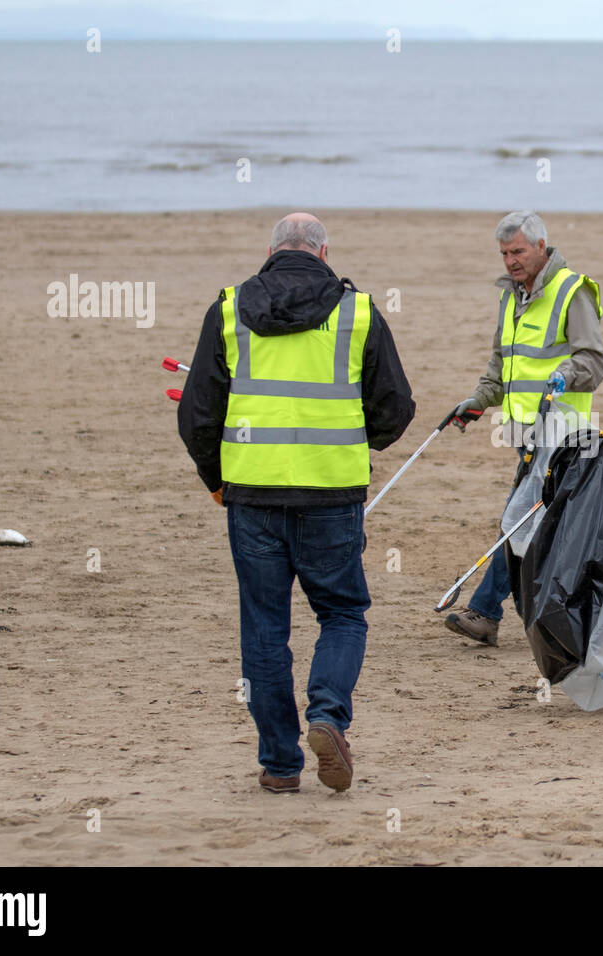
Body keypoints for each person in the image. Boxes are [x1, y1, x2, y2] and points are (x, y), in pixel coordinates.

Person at [178, 213, 415, 794]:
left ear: (270, 251)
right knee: (341, 614)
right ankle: (328, 715)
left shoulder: (229, 309)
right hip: (330, 492)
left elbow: (197, 416)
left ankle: (280, 765)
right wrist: (358, 437)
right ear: (324, 253)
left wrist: (217, 478)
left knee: (264, 630)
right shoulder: (358, 312)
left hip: (252, 495)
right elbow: (396, 408)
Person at [441, 210, 603, 646]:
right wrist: (478, 400)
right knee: (535, 523)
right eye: (504, 253)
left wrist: (566, 375)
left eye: (517, 251)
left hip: (562, 433)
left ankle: (487, 611)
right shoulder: (511, 296)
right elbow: (503, 362)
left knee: (522, 520)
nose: (510, 261)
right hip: (524, 433)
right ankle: (535, 612)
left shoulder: (572, 291)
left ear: (540, 246)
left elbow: (594, 362)